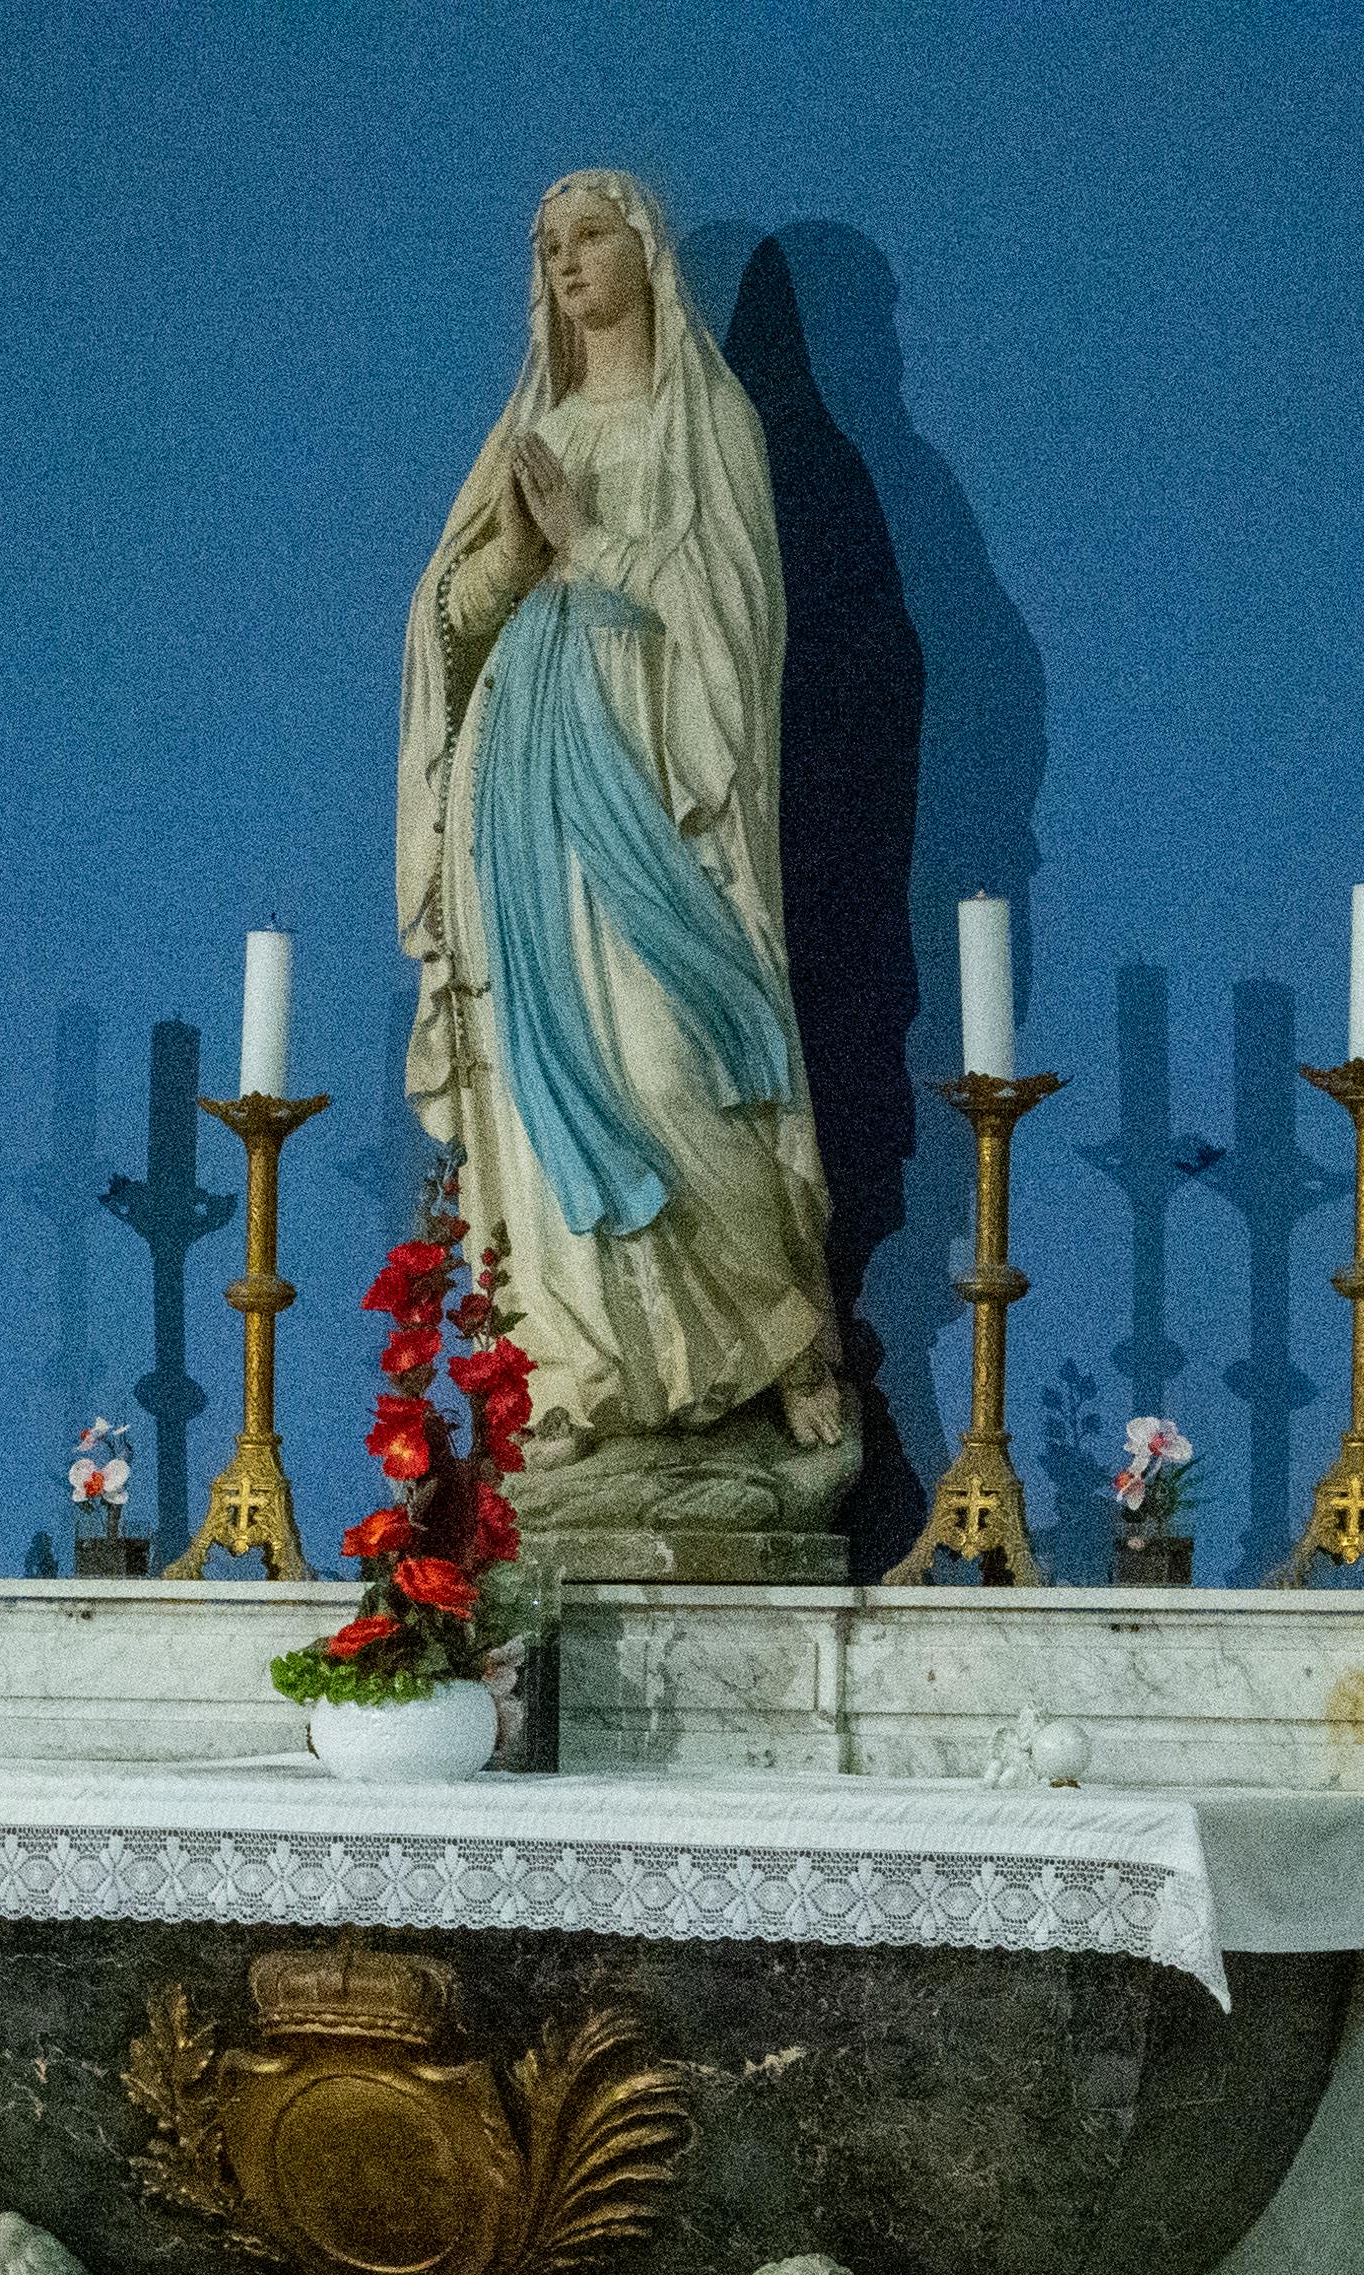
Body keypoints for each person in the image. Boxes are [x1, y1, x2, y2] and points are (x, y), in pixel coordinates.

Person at [397, 165, 858, 1555]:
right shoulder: (524, 432)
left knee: (672, 1065)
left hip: (654, 809)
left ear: (649, 253)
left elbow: (736, 620)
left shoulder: (703, 422)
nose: (566, 261)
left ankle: (760, 1366)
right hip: (522, 810)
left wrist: (590, 542)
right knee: (543, 1116)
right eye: (545, 244)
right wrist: (513, 558)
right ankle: (596, 1399)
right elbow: (446, 633)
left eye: (591, 233)